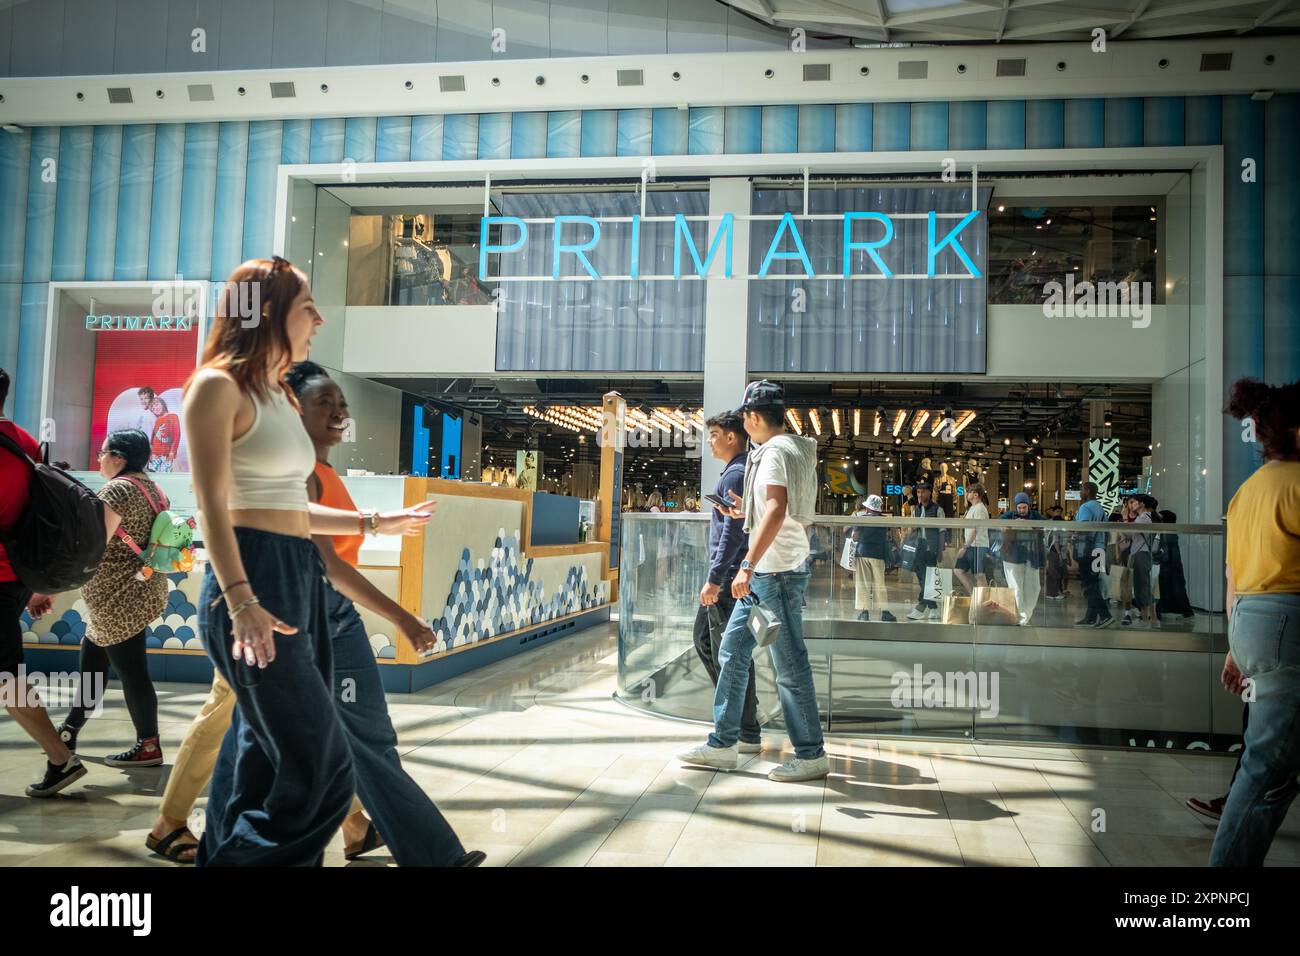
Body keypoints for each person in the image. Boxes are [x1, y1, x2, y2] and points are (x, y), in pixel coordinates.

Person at [180, 256, 436, 867]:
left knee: (261, 760)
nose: (319, 319)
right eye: (307, 307)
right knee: (323, 768)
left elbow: (290, 508)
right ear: (267, 311)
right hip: (253, 578)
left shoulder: (276, 396)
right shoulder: (217, 387)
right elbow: (212, 505)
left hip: (295, 574)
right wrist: (241, 599)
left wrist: (373, 523)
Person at [289, 360, 482, 866]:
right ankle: (434, 856)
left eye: (341, 404)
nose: (338, 413)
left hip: (329, 620)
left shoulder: (322, 471)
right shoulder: (300, 473)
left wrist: (377, 526)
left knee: (342, 742)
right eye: (323, 403)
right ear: (292, 410)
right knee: (364, 740)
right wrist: (403, 618)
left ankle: (360, 831)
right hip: (317, 619)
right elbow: (327, 564)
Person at [678, 380, 828, 783]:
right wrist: (748, 512)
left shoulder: (775, 453)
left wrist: (746, 565)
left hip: (774, 572)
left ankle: (811, 754)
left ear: (754, 417)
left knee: (790, 664)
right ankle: (723, 744)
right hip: (774, 569)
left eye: (745, 417)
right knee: (731, 651)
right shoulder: (791, 450)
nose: (743, 424)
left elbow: (778, 510)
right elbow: (778, 507)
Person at [1209, 378, 1300, 867]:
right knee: (1266, 768)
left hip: (1250, 621)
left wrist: (1234, 648)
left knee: (1274, 766)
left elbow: (1234, 576)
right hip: (1289, 620)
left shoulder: (1249, 490)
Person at [40, 430, 169, 766]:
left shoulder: (119, 489)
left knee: (132, 670)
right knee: (93, 666)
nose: (98, 459)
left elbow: (94, 543)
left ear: (119, 458)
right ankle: (68, 732)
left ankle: (149, 745)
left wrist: (50, 583)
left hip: (119, 599)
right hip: (138, 591)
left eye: (102, 453)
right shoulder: (151, 487)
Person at [0, 368, 87, 797]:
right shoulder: (25, 441)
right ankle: (59, 757)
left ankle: (60, 757)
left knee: (9, 678)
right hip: (16, 574)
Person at [691, 411, 761, 753]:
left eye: (714, 434)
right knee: (731, 653)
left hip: (729, 579)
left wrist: (714, 579)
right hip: (736, 577)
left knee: (714, 647)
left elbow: (732, 535)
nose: (710, 440)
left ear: (732, 437)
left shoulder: (735, 474)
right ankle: (746, 727)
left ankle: (736, 725)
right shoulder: (741, 470)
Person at [998, 492, 1045, 626]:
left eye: (1024, 507)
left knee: (1034, 588)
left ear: (1028, 506)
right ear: (1016, 507)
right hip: (1012, 556)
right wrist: (1012, 524)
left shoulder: (1036, 516)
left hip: (1031, 556)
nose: (1022, 510)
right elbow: (998, 523)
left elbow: (1045, 525)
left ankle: (1025, 617)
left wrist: (1032, 525)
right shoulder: (1008, 516)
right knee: (1016, 588)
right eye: (1019, 508)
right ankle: (1020, 618)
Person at [1072, 481, 1113, 628]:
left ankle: (1105, 615)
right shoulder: (1100, 508)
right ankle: (1090, 617)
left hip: (1088, 551)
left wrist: (1074, 535)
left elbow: (1084, 528)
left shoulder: (1085, 507)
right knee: (1094, 582)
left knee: (1089, 583)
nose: (1080, 492)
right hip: (1100, 549)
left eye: (1081, 489)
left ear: (1087, 491)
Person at [905, 481, 947, 621]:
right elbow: (912, 529)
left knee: (928, 578)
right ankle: (933, 607)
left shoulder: (937, 510)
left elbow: (942, 531)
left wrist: (940, 550)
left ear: (929, 493)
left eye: (923, 492)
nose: (920, 494)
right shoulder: (915, 509)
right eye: (918, 492)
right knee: (923, 578)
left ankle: (921, 607)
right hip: (918, 548)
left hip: (931, 548)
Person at [851, 494, 894, 622]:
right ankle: (884, 611)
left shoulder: (861, 518)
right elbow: (890, 535)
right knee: (880, 584)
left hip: (863, 553)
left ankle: (864, 612)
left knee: (863, 583)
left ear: (868, 508)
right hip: (879, 554)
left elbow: (855, 537)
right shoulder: (885, 520)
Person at [1123, 495, 1159, 629]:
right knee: (1144, 584)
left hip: (1140, 553)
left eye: (1133, 502)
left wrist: (1125, 518)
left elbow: (1129, 533)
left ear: (1142, 504)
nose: (1131, 505)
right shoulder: (1149, 517)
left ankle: (1146, 618)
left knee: (1141, 585)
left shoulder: (1144, 517)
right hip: (1143, 553)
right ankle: (1150, 616)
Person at [1155, 509, 1195, 619]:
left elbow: (1166, 553)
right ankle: (1184, 610)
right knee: (1178, 588)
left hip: (1168, 567)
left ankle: (1179, 610)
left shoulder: (1166, 534)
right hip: (1174, 566)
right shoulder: (1173, 532)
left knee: (1172, 588)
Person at [952, 484, 991, 596]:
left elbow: (976, 529)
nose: (967, 494)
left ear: (975, 494)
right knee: (958, 570)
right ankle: (974, 597)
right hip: (971, 545)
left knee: (980, 575)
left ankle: (983, 602)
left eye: (969, 492)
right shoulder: (972, 508)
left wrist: (965, 547)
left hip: (978, 546)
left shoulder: (980, 508)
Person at [147, 395, 181, 473]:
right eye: (152, 408)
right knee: (155, 477)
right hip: (155, 455)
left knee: (166, 475)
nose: (155, 408)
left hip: (166, 454)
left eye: (156, 405)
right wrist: (151, 454)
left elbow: (177, 435)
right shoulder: (157, 420)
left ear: (163, 404)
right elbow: (153, 439)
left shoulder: (173, 416)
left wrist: (172, 451)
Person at [1043, 504, 1071, 600]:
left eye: (1060, 511)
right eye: (1057, 511)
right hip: (1054, 552)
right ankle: (1053, 593)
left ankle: (1056, 591)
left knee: (1056, 572)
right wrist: (1059, 554)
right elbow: (1056, 541)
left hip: (1054, 552)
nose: (1058, 513)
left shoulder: (1054, 525)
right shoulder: (1053, 525)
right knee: (1054, 572)